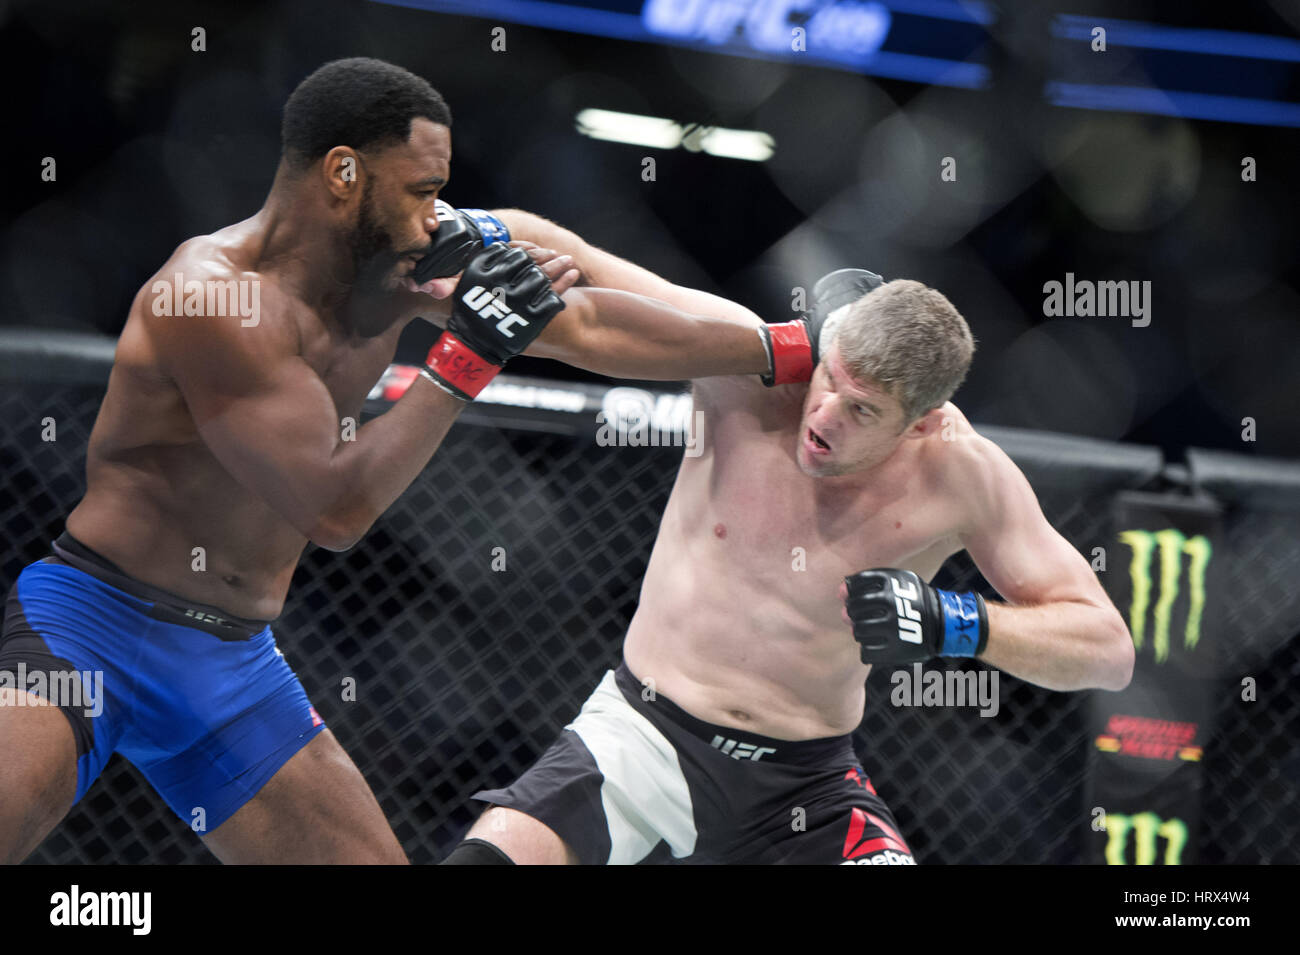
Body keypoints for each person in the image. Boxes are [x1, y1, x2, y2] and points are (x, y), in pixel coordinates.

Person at [0, 57, 773, 864]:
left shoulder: (402, 264)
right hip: (95, 627)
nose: (435, 215)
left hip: (231, 665)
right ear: (343, 174)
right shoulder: (211, 296)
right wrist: (467, 353)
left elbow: (586, 307)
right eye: (420, 190)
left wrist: (778, 349)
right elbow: (334, 510)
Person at [442, 211, 1136, 865]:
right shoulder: (743, 364)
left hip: (808, 784)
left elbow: (1107, 651)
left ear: (922, 423)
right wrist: (460, 226)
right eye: (831, 377)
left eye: (863, 409)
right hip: (639, 738)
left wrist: (956, 621)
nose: (825, 414)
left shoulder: (962, 472)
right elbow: (580, 260)